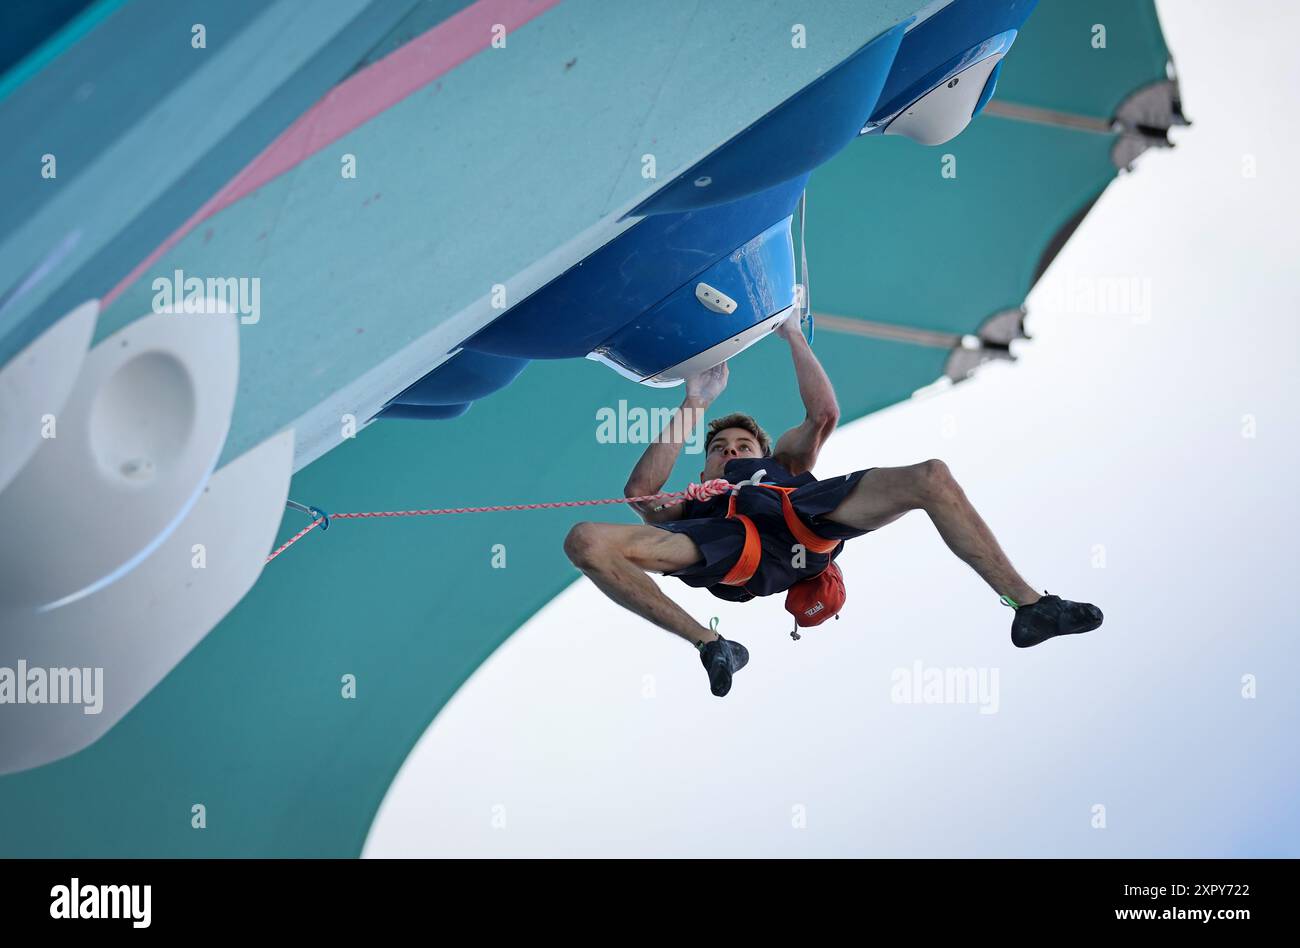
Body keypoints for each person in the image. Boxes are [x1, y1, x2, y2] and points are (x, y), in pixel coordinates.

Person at [563, 315, 1103, 697]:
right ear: (703, 468)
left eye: (742, 447)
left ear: (764, 451)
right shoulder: (695, 503)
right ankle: (712, 645)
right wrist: (695, 401)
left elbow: (823, 414)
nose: (730, 452)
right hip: (733, 550)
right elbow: (642, 496)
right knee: (585, 540)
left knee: (932, 477)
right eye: (719, 450)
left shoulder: (785, 467)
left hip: (805, 526)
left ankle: (1031, 606)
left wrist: (791, 330)